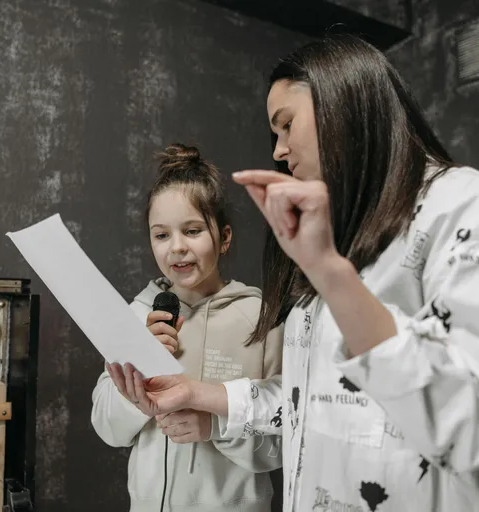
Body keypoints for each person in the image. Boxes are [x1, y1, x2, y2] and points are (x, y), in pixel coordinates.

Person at [112, 35, 479, 511]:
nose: (280, 151)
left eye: (287, 126)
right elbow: (304, 402)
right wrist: (201, 395)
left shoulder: (458, 207)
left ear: (343, 105)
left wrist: (330, 272)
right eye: (160, 235)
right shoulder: (333, 236)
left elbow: (466, 420)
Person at [91, 143, 284, 512]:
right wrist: (138, 372)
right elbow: (106, 425)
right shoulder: (138, 314)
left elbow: (283, 437)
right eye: (161, 235)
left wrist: (215, 427)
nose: (176, 248)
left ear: (223, 238)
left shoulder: (260, 319)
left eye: (192, 230)